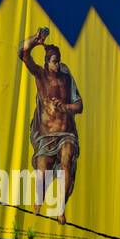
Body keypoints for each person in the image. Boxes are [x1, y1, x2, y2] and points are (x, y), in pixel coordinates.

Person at [19, 27, 82, 219]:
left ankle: (60, 208)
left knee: (66, 161)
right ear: (47, 62)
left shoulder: (66, 79)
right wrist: (35, 40)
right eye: (54, 61)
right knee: (42, 172)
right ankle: (38, 202)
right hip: (46, 136)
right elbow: (22, 52)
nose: (57, 64)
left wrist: (65, 107)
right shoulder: (40, 74)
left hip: (66, 134)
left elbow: (80, 106)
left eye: (59, 61)